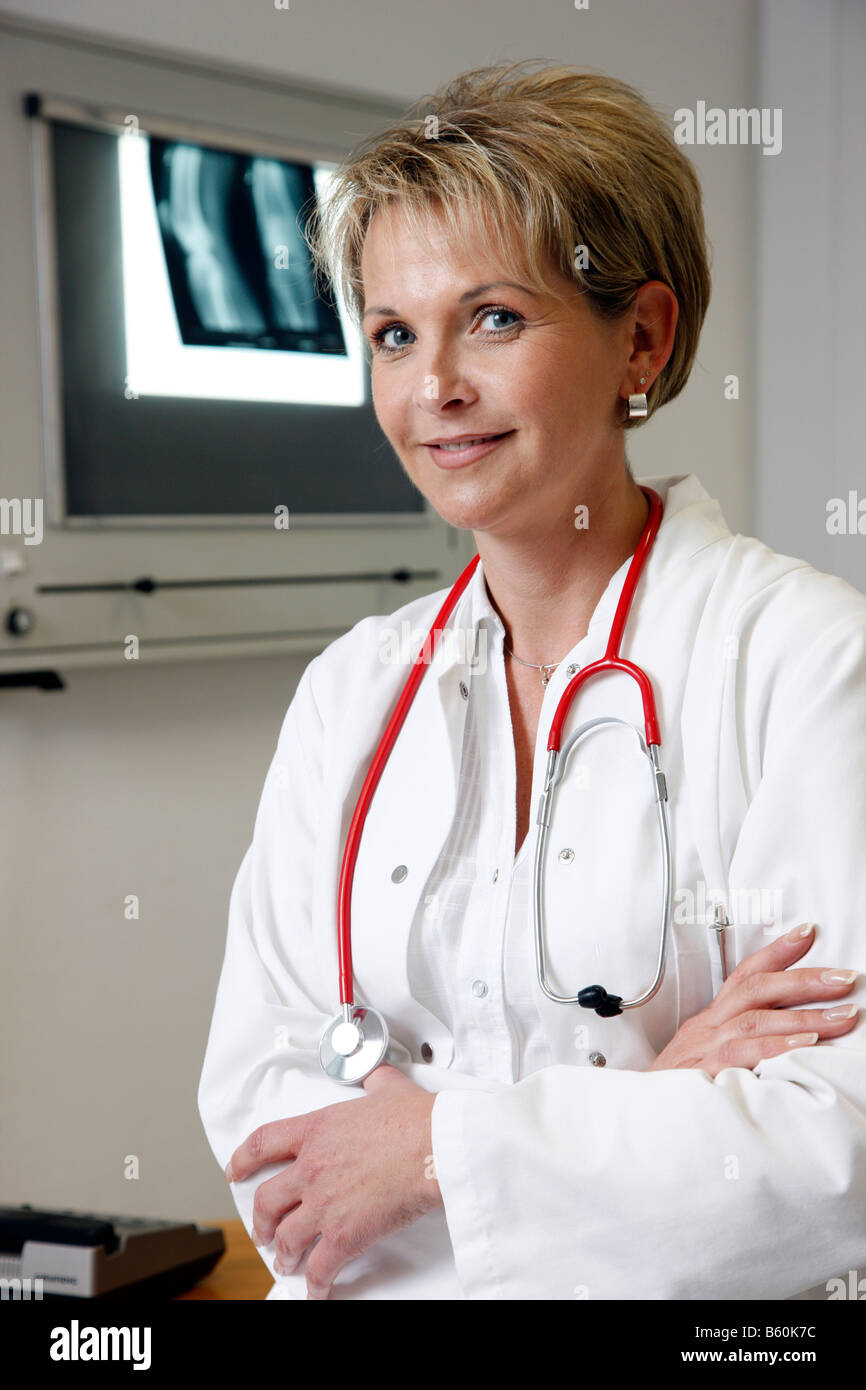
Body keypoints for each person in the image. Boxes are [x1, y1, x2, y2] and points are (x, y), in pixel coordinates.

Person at [197, 61, 866, 1300]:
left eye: (493, 318)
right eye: (394, 334)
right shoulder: (353, 693)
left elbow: (827, 1154)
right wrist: (663, 1100)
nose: (431, 386)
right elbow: (280, 1166)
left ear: (643, 339)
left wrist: (430, 1148)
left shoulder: (806, 663)